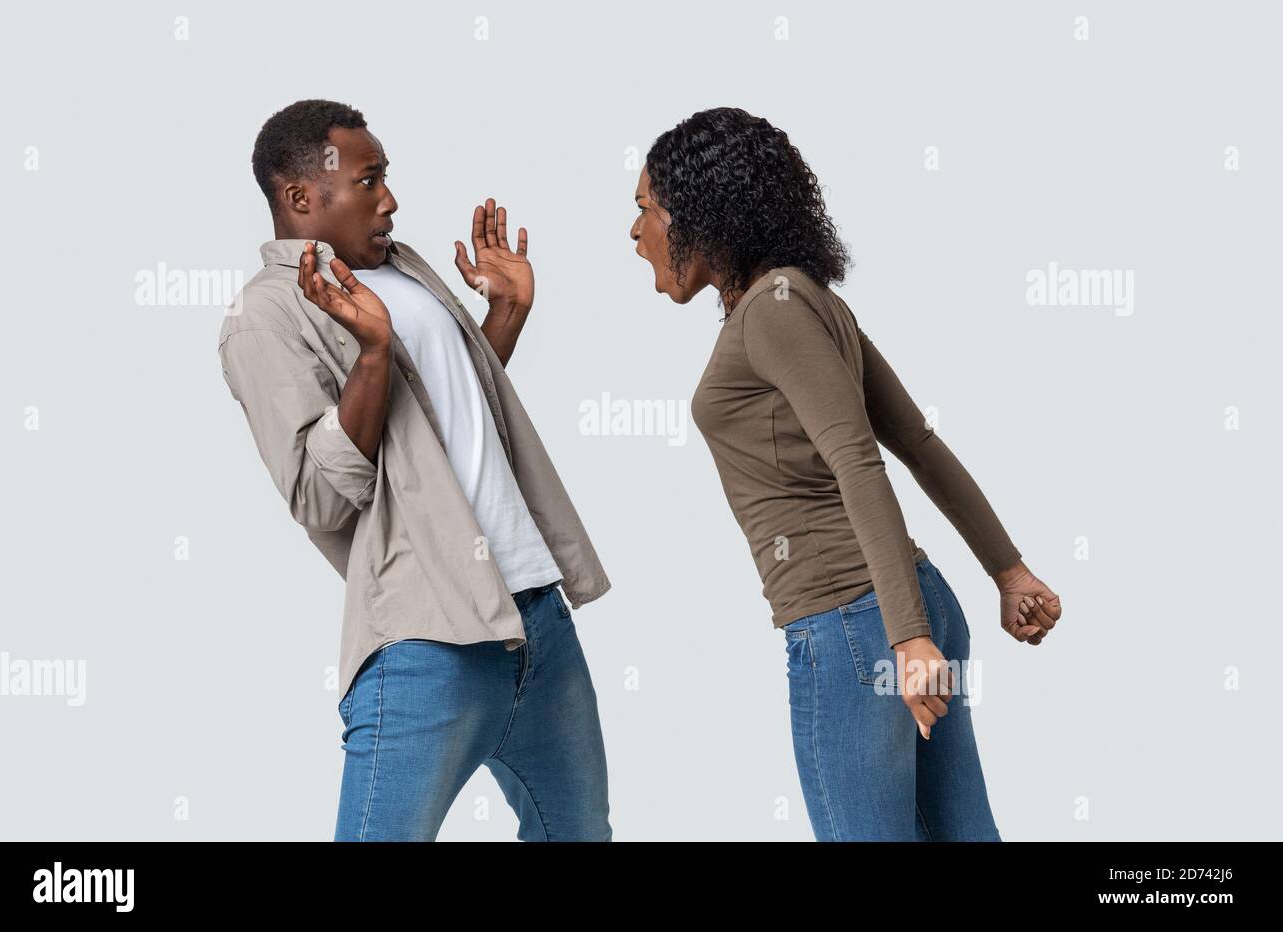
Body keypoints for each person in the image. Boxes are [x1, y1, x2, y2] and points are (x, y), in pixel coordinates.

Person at [629, 107, 1063, 841]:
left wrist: (907, 638)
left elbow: (857, 458)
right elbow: (916, 442)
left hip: (857, 628)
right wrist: (1008, 573)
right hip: (899, 611)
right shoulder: (804, 299)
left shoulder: (774, 311)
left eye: (645, 210)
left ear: (700, 215)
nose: (635, 235)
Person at [218, 99, 612, 841]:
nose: (390, 199)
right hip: (430, 640)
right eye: (369, 181)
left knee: (580, 834)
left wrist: (505, 314)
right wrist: (370, 355)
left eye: (385, 178)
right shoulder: (265, 315)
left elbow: (444, 427)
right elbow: (320, 499)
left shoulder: (403, 269)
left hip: (536, 617)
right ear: (302, 197)